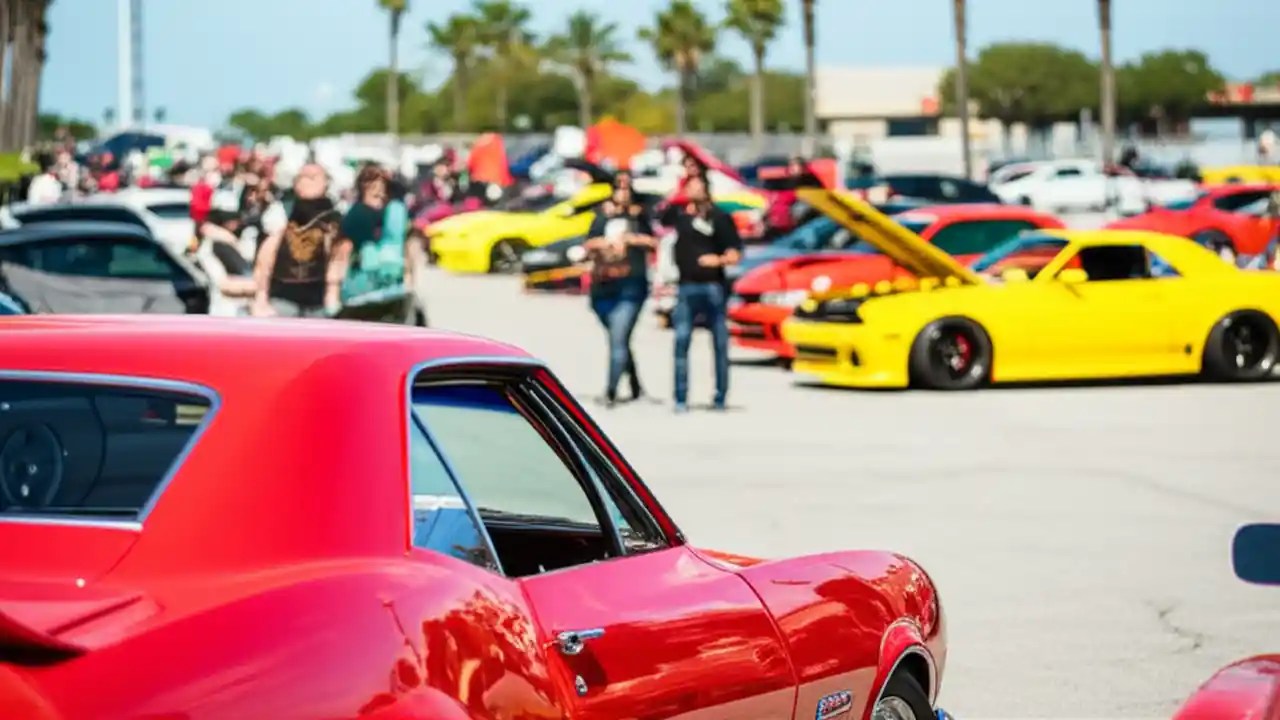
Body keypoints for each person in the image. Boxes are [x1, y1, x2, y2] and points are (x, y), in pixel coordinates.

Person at [659, 174, 742, 413]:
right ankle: (681, 397)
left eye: (697, 186)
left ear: (707, 190)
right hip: (686, 286)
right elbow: (659, 215)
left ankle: (720, 396)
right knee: (681, 341)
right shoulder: (681, 217)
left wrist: (717, 260)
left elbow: (735, 253)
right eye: (689, 187)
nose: (693, 190)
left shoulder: (720, 218)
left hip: (712, 287)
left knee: (719, 342)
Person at [585, 181, 657, 406]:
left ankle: (611, 391)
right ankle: (635, 385)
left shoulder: (638, 217)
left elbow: (654, 241)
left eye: (627, 189)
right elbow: (588, 242)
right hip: (604, 286)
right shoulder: (602, 216)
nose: (622, 194)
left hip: (631, 286)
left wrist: (631, 239)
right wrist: (605, 244)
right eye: (619, 189)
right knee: (620, 340)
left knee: (618, 337)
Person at [251, 163, 345, 318]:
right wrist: (261, 297)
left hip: (318, 298)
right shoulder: (281, 210)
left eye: (314, 177)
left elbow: (337, 255)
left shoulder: (332, 214)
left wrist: (332, 293)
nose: (309, 181)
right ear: (295, 183)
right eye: (305, 177)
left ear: (326, 182)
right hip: (283, 295)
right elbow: (266, 257)